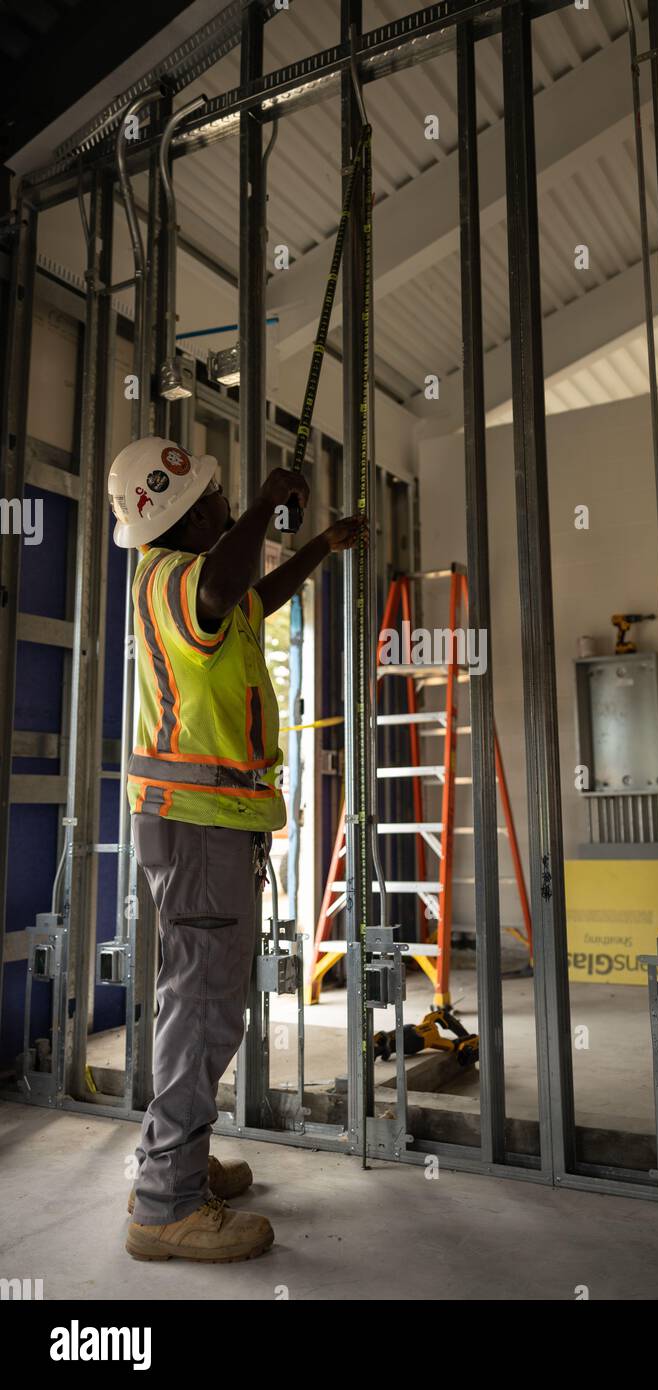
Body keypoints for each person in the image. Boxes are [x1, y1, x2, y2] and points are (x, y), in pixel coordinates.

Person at [107, 435, 364, 1262]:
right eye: (216, 498)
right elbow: (227, 581)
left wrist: (317, 547)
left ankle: (175, 1162)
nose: (224, 506)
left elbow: (252, 596)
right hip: (198, 826)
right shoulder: (181, 579)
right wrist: (262, 505)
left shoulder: (187, 590)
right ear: (194, 510)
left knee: (197, 998)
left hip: (203, 825)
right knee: (205, 1006)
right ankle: (165, 1205)